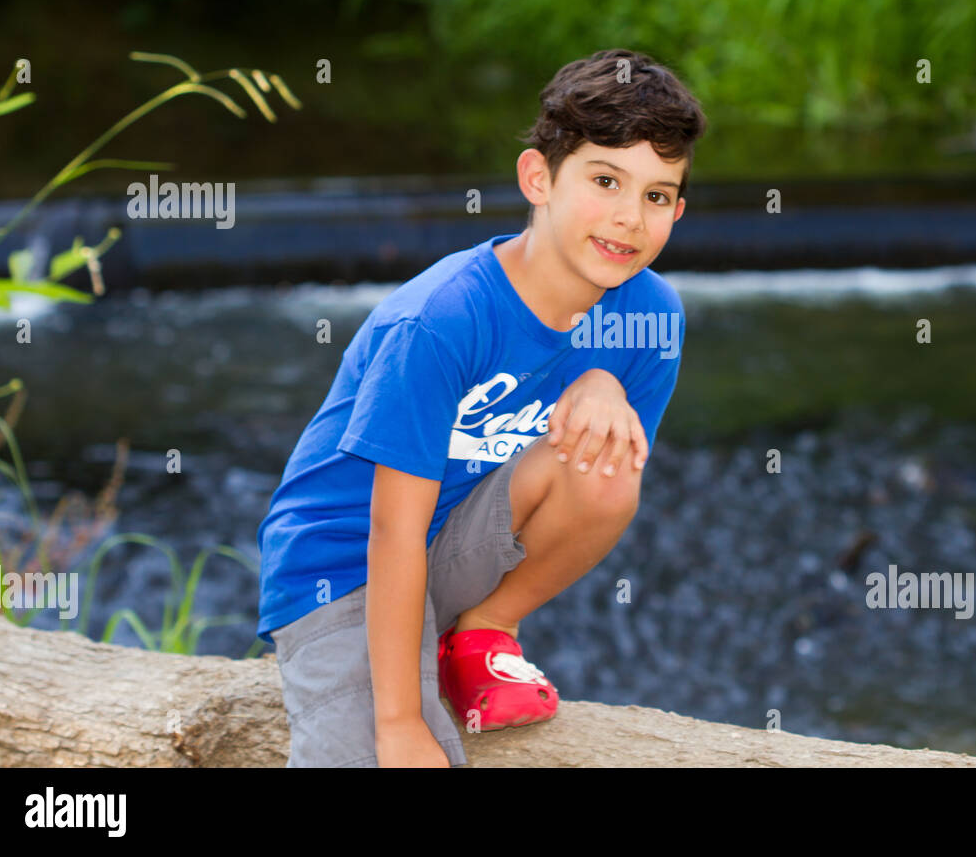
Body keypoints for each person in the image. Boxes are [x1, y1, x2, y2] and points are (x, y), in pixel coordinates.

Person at [254, 47, 708, 766]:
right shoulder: (442, 319)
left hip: (460, 551)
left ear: (677, 212)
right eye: (604, 180)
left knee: (607, 470)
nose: (628, 218)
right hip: (344, 568)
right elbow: (391, 531)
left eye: (656, 196)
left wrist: (602, 382)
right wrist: (401, 723)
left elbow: (605, 483)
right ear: (538, 178)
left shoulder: (652, 318)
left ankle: (482, 630)